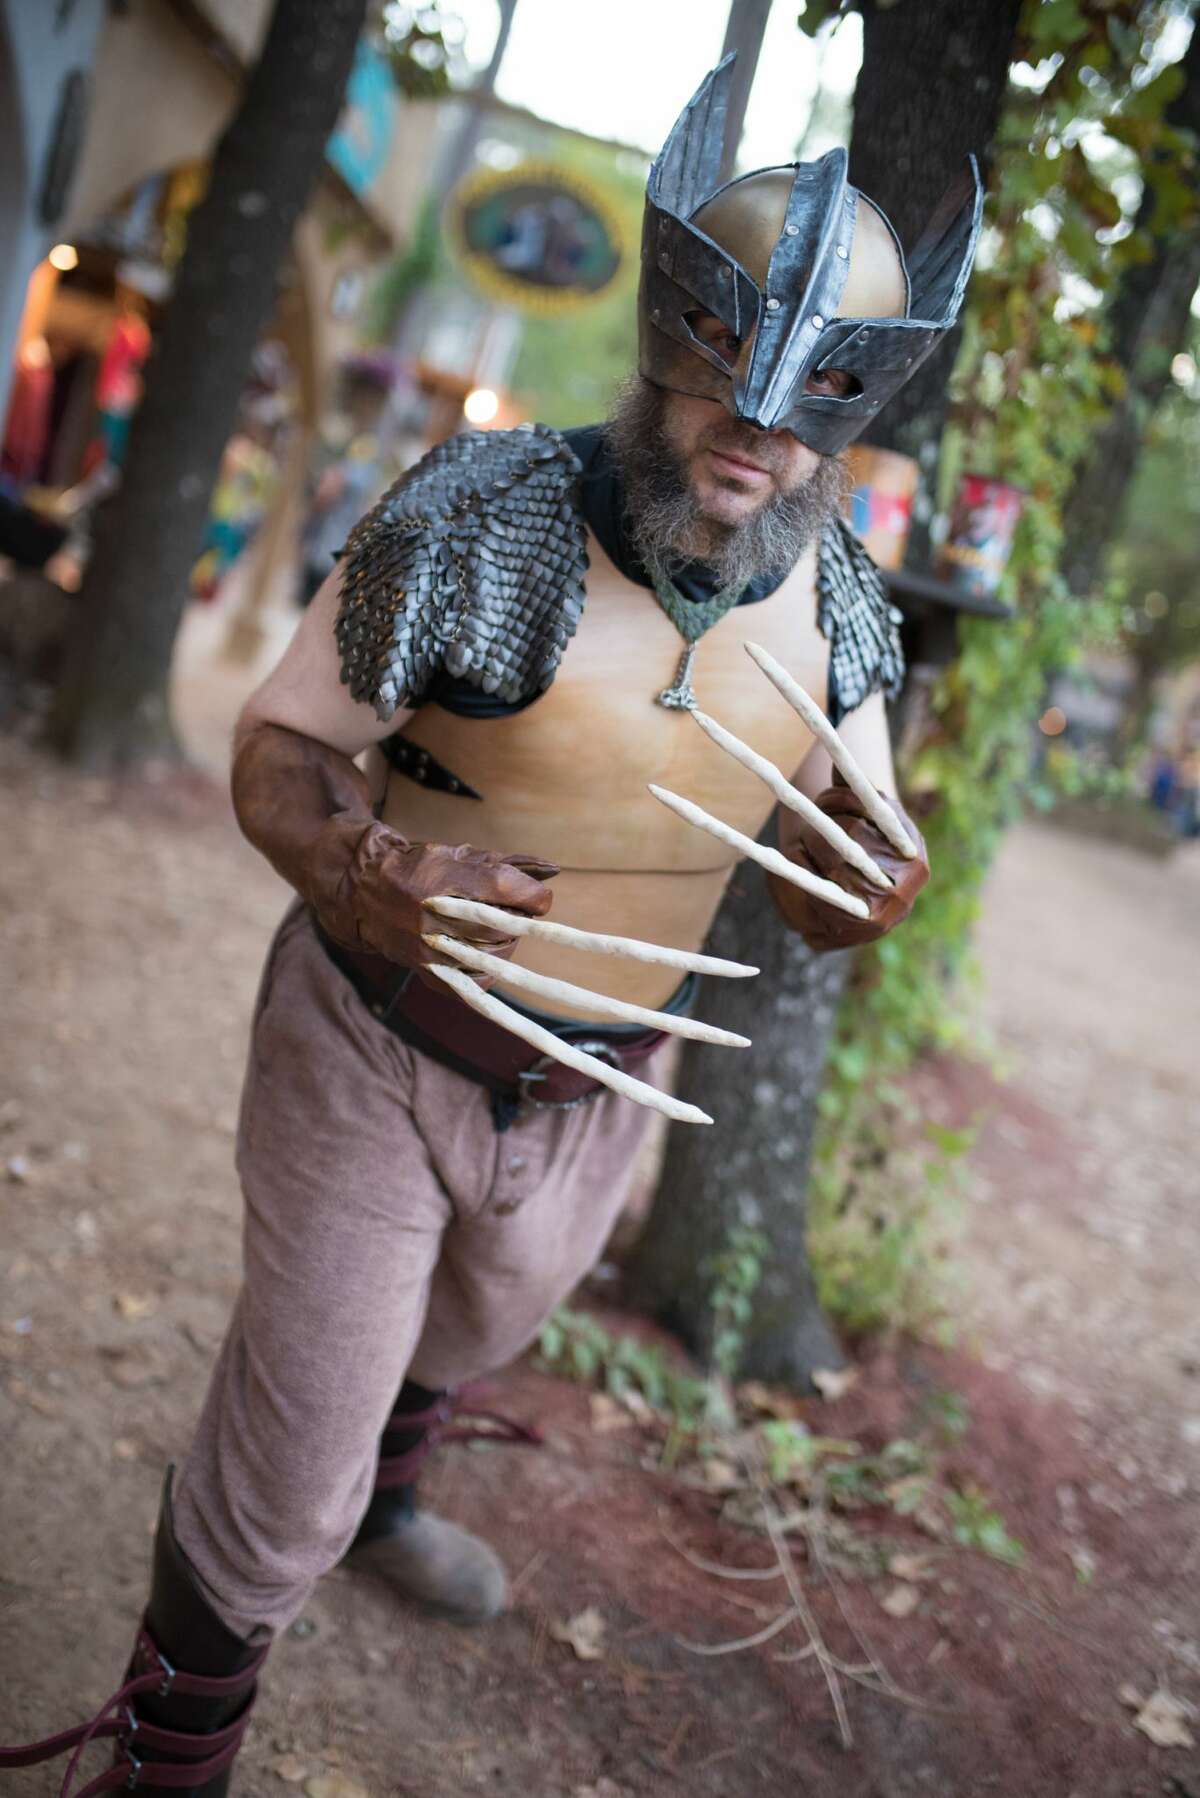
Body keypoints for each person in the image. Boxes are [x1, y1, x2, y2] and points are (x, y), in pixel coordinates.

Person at [3, 56, 981, 1797]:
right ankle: (167, 1747)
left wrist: (863, 898)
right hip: (376, 1043)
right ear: (669, 334)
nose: (753, 434)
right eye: (725, 376)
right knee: (288, 1450)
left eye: (806, 401)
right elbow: (283, 747)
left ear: (860, 408)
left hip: (606, 1082)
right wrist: (355, 867)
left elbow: (845, 855)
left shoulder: (841, 611)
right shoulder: (485, 513)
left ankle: (392, 1485)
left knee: (467, 1331)